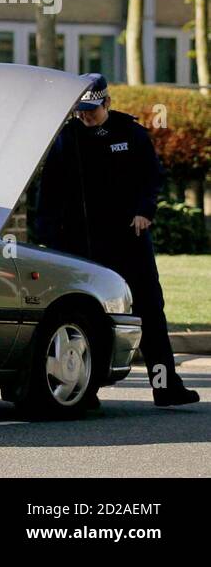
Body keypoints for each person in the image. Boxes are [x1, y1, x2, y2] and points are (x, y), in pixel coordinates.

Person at [36, 74, 199, 408]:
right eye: (80, 111)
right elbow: (48, 194)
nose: (85, 116)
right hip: (81, 245)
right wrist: (48, 237)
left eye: (92, 111)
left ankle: (165, 387)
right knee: (87, 316)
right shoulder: (66, 140)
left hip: (128, 240)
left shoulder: (131, 133)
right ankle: (87, 391)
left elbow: (151, 178)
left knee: (150, 312)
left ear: (107, 103)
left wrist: (144, 211)